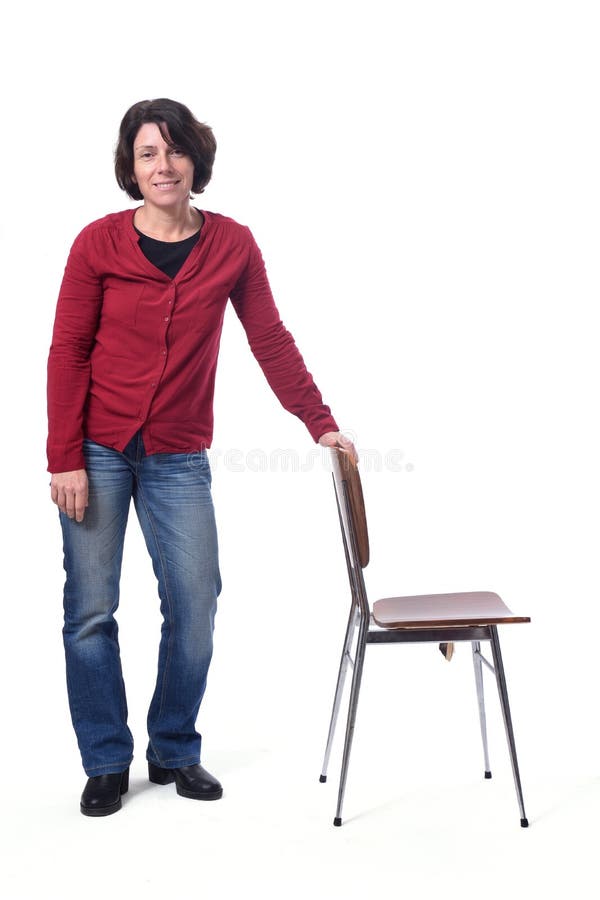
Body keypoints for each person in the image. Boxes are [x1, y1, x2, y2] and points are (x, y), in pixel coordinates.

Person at [47, 98, 356, 817]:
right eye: (148, 153)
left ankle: (175, 749)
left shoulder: (233, 245)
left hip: (178, 452)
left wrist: (321, 423)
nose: (164, 165)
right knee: (90, 610)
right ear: (131, 166)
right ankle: (105, 759)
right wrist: (64, 455)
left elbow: (269, 339)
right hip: (94, 449)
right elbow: (69, 351)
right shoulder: (96, 243)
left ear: (196, 160)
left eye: (175, 150)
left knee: (196, 603)